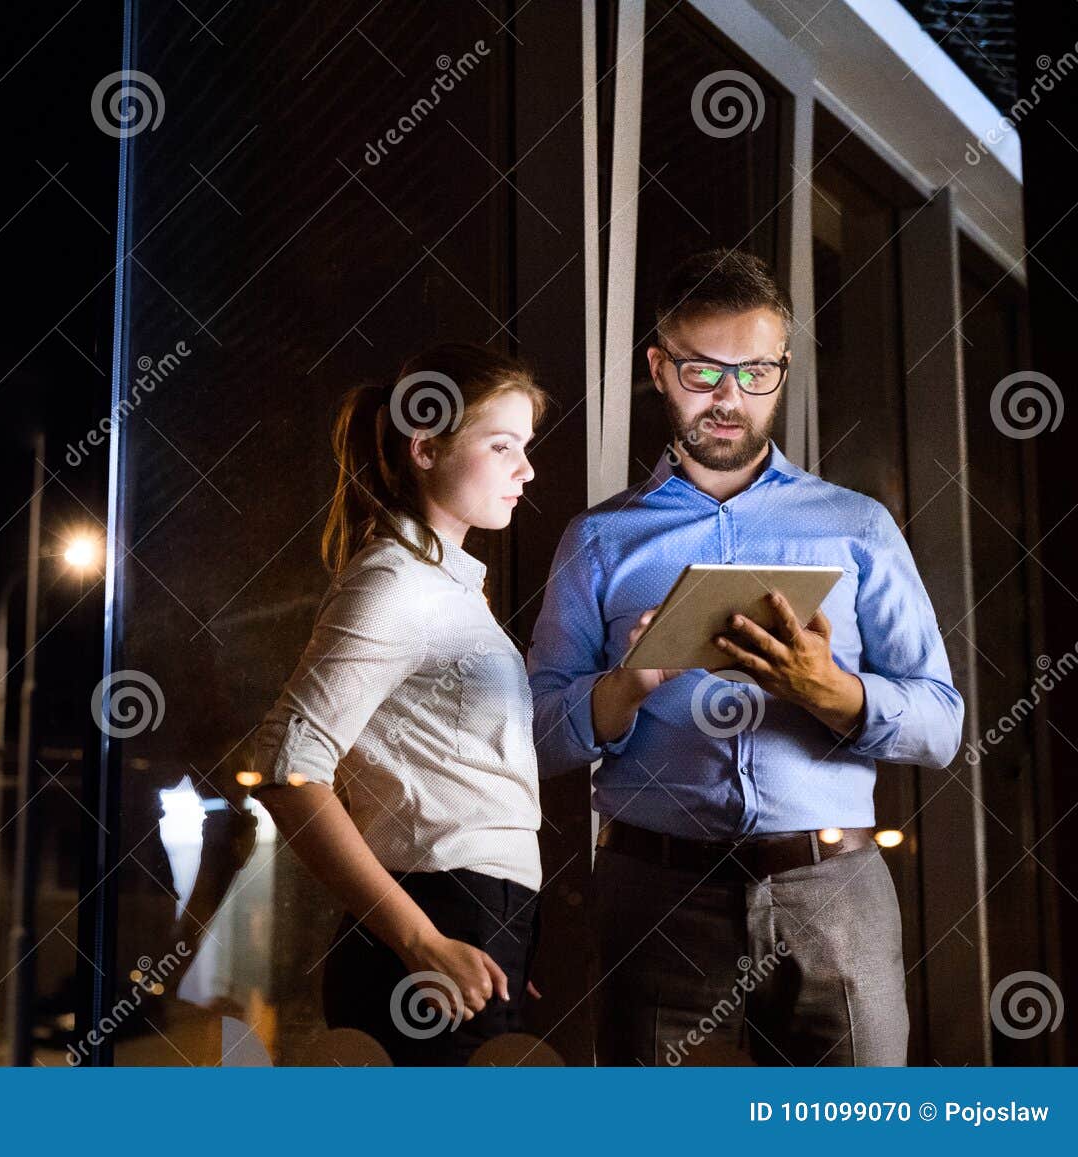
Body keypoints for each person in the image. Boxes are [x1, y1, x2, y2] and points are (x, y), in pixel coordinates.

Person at [528, 248, 963, 1066]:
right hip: (651, 896)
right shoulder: (596, 540)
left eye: (755, 372)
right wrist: (624, 688)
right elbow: (537, 733)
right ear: (659, 367)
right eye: (702, 370)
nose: (729, 398)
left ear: (783, 371)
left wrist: (834, 692)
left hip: (836, 887)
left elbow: (941, 725)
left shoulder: (858, 526)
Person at [250, 342, 548, 1065]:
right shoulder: (395, 584)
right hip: (434, 921)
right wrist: (424, 938)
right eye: (502, 445)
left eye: (527, 447)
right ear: (426, 447)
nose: (526, 470)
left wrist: (492, 931)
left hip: (474, 921)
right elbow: (286, 766)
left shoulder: (446, 588)